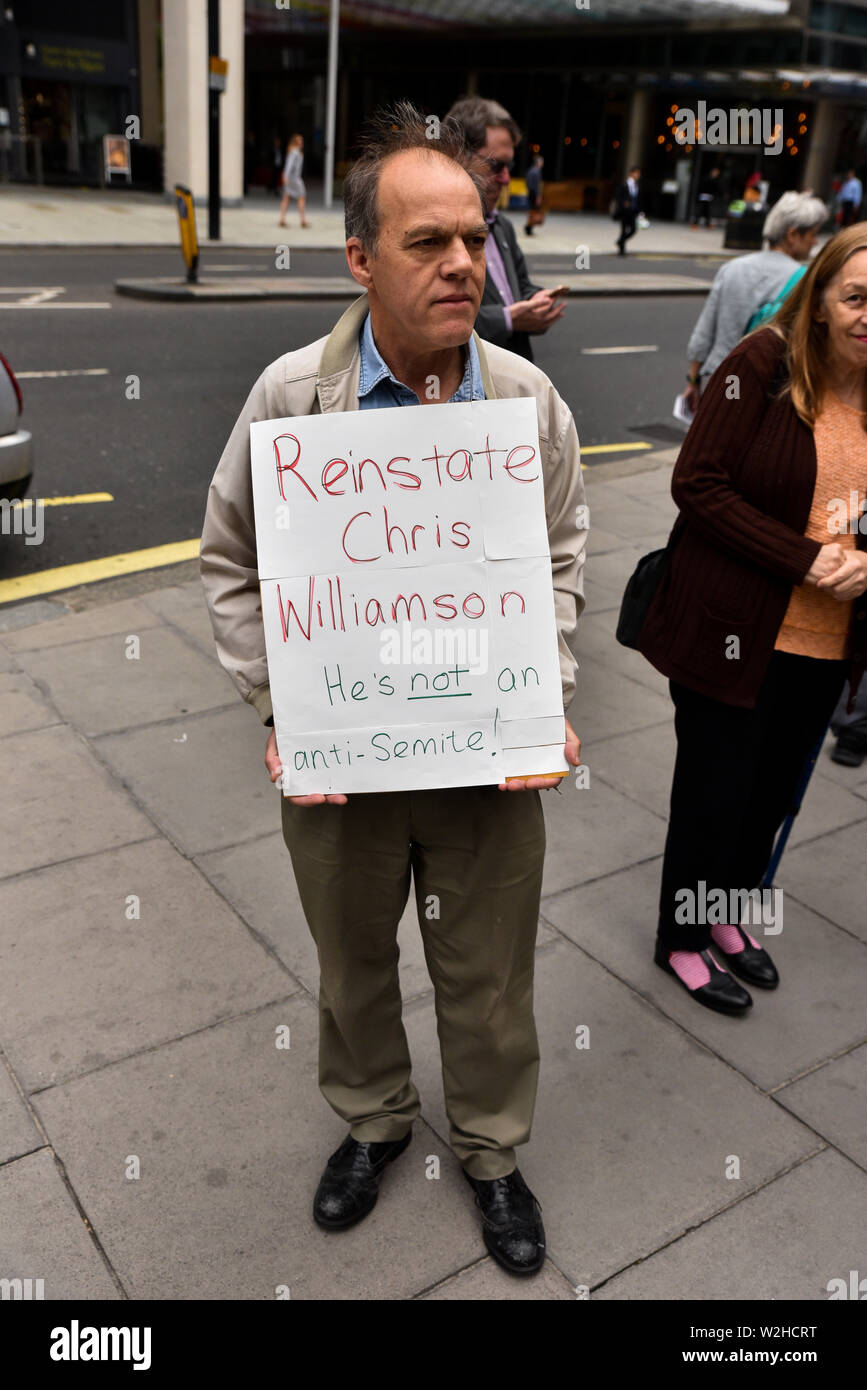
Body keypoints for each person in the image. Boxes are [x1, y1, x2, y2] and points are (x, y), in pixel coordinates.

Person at [200, 101, 588, 1276]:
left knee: (490, 971)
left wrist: (546, 685)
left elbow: (563, 555)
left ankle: (490, 1147)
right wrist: (284, 706)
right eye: (430, 242)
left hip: (486, 758)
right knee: (353, 959)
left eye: (476, 236)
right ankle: (372, 1120)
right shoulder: (286, 400)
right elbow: (233, 562)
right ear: (361, 257)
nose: (465, 264)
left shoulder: (526, 402)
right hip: (345, 764)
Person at [636, 224, 867, 1015]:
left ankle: (727, 918)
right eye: (856, 296)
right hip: (735, 638)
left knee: (767, 798)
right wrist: (803, 558)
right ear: (821, 298)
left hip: (824, 644)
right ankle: (678, 940)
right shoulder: (763, 365)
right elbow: (697, 484)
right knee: (713, 796)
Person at [683, 191, 828, 415]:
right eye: (812, 234)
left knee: (717, 438)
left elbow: (703, 334)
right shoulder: (804, 280)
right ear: (792, 235)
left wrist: (693, 381)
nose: (815, 242)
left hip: (723, 378)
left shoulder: (732, 268)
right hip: (763, 388)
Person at [445, 96, 564, 361]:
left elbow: (520, 287)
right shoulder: (435, 233)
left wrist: (537, 302)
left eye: (509, 166)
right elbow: (434, 320)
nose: (506, 179)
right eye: (496, 166)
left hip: (515, 384)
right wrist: (509, 319)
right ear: (457, 156)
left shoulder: (502, 226)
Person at [278, 133, 310, 228]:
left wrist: (285, 176)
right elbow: (289, 165)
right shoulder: (295, 152)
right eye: (299, 140)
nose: (301, 142)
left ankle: (282, 219)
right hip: (294, 179)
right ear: (296, 142)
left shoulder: (294, 151)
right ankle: (303, 220)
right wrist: (285, 176)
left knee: (286, 198)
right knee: (301, 197)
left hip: (292, 178)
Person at [614, 165, 642, 255]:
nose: (637, 175)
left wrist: (639, 211)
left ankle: (620, 242)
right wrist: (623, 203)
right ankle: (622, 250)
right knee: (623, 230)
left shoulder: (637, 186)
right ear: (631, 173)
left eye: (638, 174)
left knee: (633, 230)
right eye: (636, 173)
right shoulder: (624, 185)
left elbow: (637, 199)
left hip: (633, 211)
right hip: (624, 211)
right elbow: (618, 196)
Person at [524, 153, 544, 236]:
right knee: (534, 212)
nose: (542, 163)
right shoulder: (536, 171)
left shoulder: (530, 170)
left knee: (532, 211)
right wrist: (538, 196)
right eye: (541, 161)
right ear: (538, 162)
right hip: (534, 194)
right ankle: (528, 227)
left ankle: (529, 227)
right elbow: (536, 186)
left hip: (530, 193)